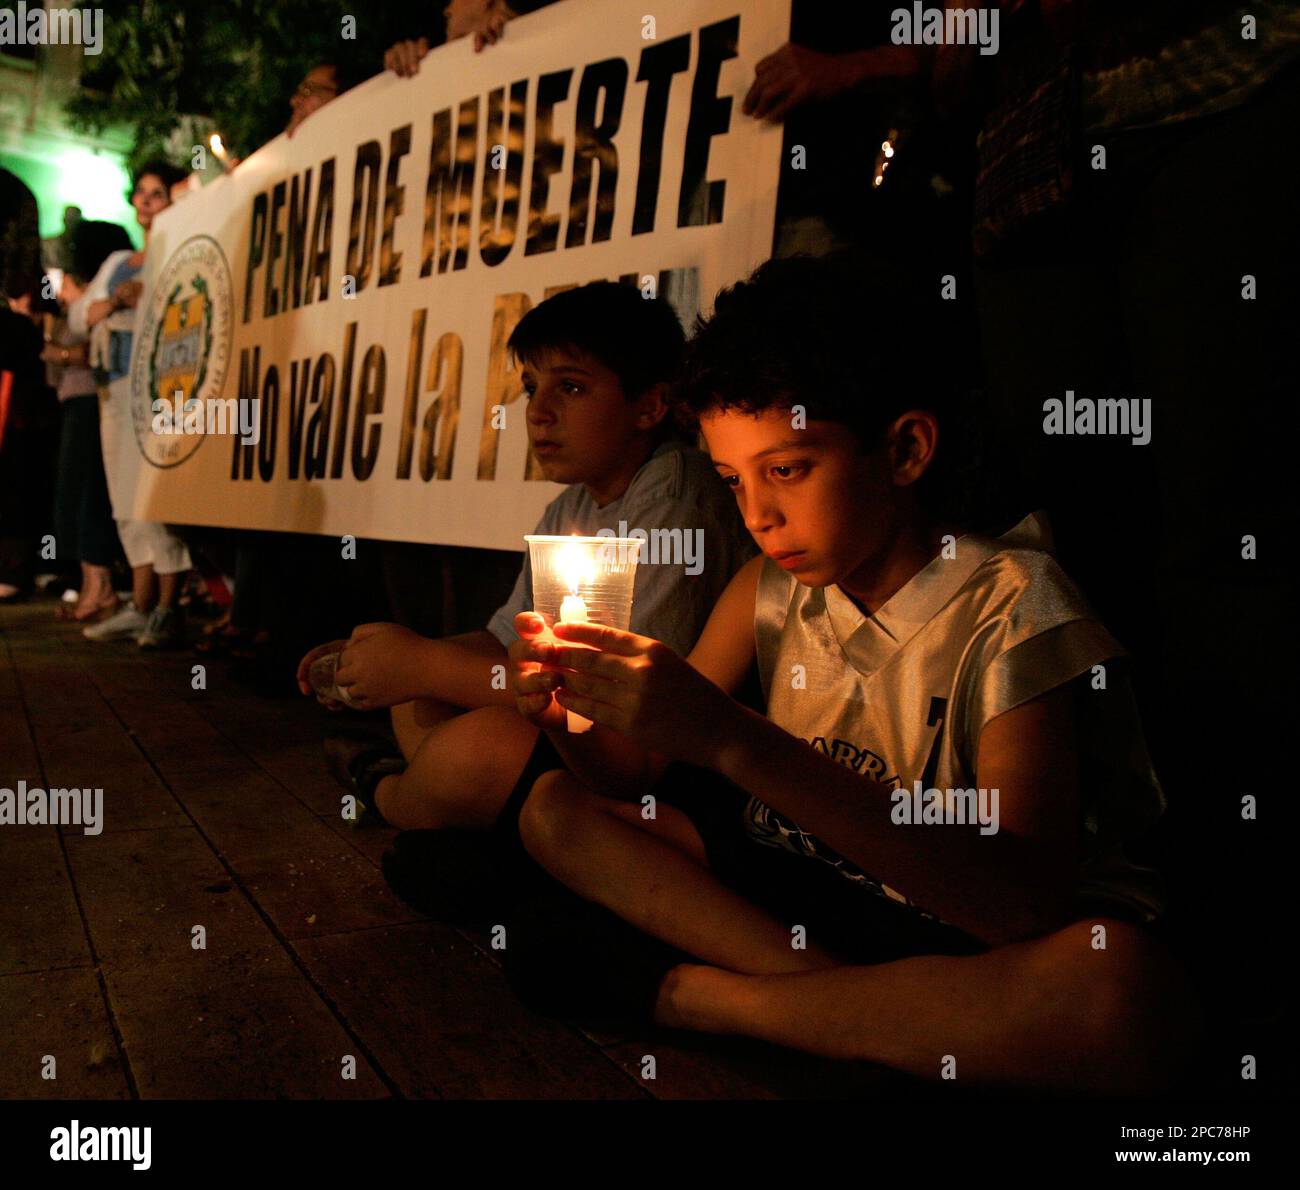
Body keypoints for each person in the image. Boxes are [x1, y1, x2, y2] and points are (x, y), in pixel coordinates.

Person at [499, 256, 1200, 1093]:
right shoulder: (768, 587)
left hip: (961, 926)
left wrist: (731, 739)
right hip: (817, 899)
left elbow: (1021, 904)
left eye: (787, 469)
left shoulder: (1013, 601)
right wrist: (570, 717)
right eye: (732, 480)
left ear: (903, 450)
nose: (757, 515)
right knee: (555, 809)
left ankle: (719, 1004)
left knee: (1115, 991)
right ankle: (855, 1010)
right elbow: (631, 771)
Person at [297, 281, 755, 844]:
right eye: (532, 387)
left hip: (653, 761)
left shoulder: (679, 501)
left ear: (650, 405)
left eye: (570, 387)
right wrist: (382, 659)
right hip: (566, 722)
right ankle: (452, 802)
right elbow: (501, 639)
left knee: (478, 745)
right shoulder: (573, 503)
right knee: (421, 693)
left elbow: (626, 706)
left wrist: (424, 664)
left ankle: (387, 790)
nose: (538, 412)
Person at [70, 161, 193, 649]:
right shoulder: (120, 259)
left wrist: (113, 308)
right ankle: (141, 605)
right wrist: (114, 302)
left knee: (153, 496)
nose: (146, 201)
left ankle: (167, 605)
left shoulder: (178, 249)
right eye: (140, 192)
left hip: (155, 388)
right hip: (111, 389)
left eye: (158, 193)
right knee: (124, 500)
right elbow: (82, 316)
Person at [46, 219, 133, 622]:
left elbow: (79, 341)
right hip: (87, 400)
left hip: (93, 399)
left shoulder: (115, 276)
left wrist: (58, 354)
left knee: (90, 490)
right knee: (80, 490)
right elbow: (82, 320)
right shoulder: (99, 285)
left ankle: (101, 587)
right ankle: (92, 584)